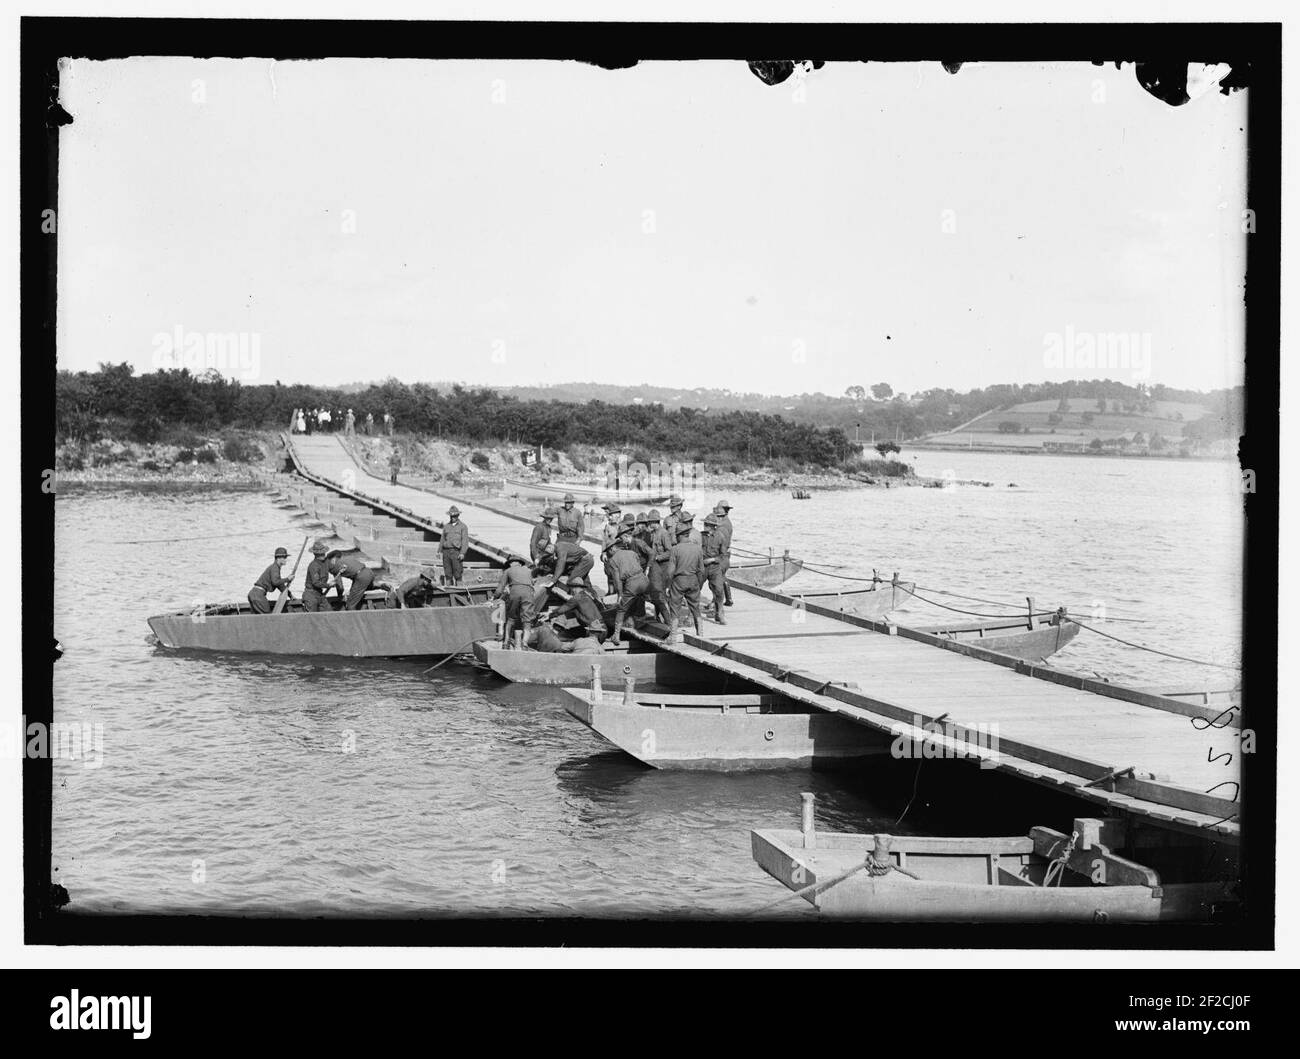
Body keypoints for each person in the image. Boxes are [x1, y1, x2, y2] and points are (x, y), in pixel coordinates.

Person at [607, 526, 650, 645]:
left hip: (633, 583)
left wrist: (620, 594)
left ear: (611, 549)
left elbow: (617, 580)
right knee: (642, 598)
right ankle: (640, 620)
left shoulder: (612, 560)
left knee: (621, 609)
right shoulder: (631, 552)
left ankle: (616, 635)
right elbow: (638, 563)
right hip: (644, 580)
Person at [666, 512, 704, 637]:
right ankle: (700, 634)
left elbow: (670, 571)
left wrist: (668, 585)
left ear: (680, 535)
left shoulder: (675, 549)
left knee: (675, 608)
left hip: (679, 581)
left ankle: (673, 637)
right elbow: (701, 570)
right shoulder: (698, 549)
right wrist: (698, 583)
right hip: (693, 580)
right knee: (695, 607)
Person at [494, 554, 537, 647]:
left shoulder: (508, 570)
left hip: (515, 592)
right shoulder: (529, 571)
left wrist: (494, 598)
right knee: (527, 620)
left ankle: (506, 642)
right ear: (520, 564)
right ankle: (525, 643)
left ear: (510, 563)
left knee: (511, 618)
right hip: (528, 592)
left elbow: (500, 589)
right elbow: (533, 583)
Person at [248, 547, 294, 613]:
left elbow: (280, 585)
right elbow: (275, 582)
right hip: (258, 595)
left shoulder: (275, 568)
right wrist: (287, 579)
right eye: (284, 557)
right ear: (278, 558)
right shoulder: (275, 568)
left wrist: (290, 595)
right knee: (268, 616)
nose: (286, 560)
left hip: (254, 594)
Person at [701, 515, 727, 625]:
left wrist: (712, 559)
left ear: (712, 526)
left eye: (707, 524)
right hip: (702, 566)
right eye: (705, 524)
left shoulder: (720, 537)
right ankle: (692, 615)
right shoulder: (700, 536)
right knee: (694, 589)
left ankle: (719, 613)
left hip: (714, 567)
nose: (705, 526)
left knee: (719, 590)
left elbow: (723, 555)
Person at [440, 506, 470, 585]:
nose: (453, 517)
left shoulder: (463, 527)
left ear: (458, 516)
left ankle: (459, 591)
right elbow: (442, 539)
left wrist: (462, 553)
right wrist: (439, 551)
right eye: (451, 516)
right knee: (448, 574)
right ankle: (449, 592)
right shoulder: (446, 526)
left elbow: (465, 541)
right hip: (446, 552)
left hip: (456, 552)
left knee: (458, 573)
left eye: (455, 516)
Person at [713, 500, 735, 607]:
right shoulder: (726, 522)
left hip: (722, 553)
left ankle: (717, 604)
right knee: (721, 577)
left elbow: (721, 541)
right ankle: (728, 599)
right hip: (725, 552)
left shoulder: (723, 525)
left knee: (717, 578)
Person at [301, 541, 333, 612]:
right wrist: (328, 585)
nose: (323, 555)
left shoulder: (326, 562)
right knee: (312, 617)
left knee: (329, 612)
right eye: (320, 554)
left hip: (320, 594)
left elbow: (333, 568)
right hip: (310, 595)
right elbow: (316, 583)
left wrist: (340, 569)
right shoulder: (313, 566)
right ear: (315, 554)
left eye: (323, 553)